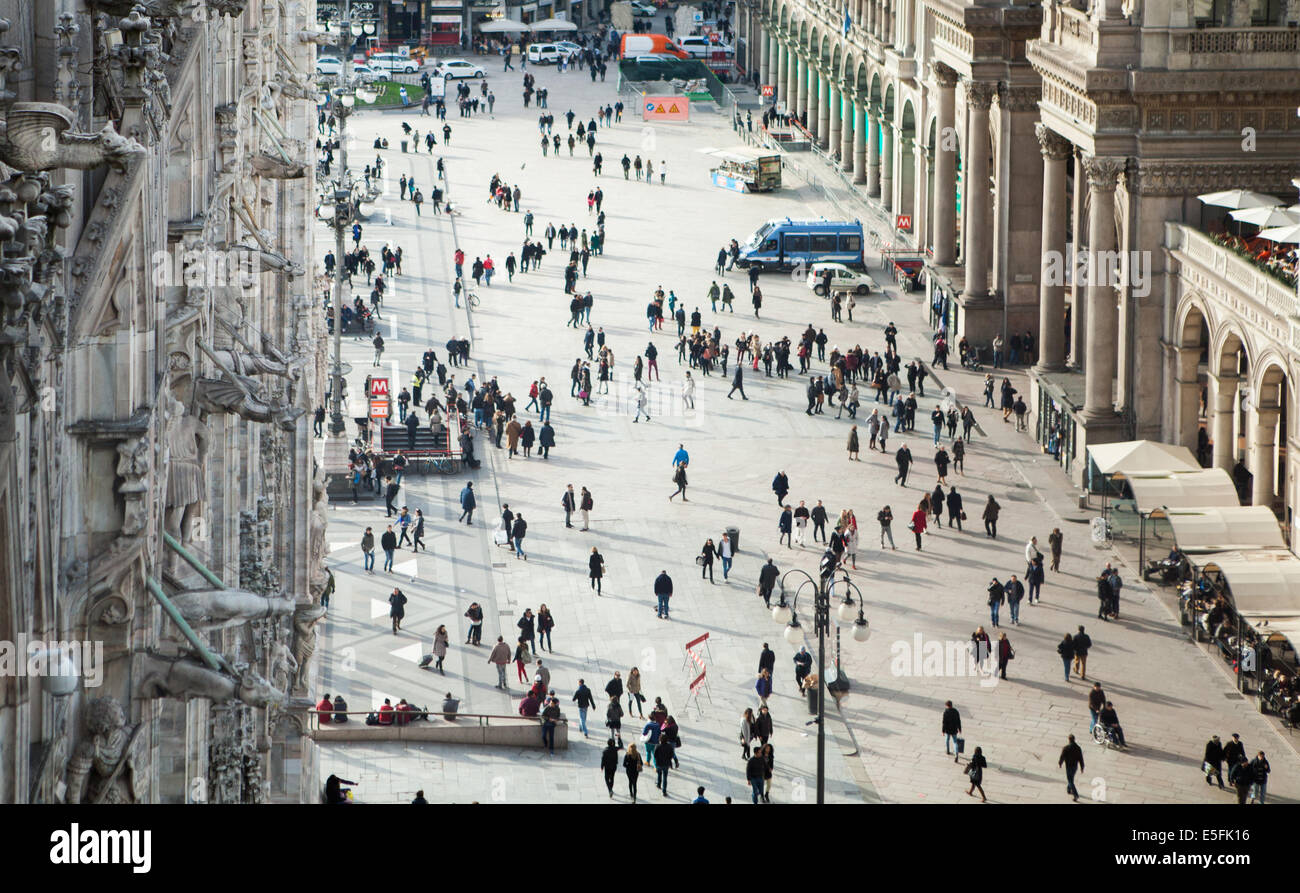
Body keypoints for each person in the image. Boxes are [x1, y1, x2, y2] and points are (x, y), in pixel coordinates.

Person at [1059, 735, 1085, 801]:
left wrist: (1060, 763)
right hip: (1075, 766)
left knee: (1070, 780)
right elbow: (1081, 759)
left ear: (1069, 739)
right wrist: (1082, 767)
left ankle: (1075, 795)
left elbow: (1062, 757)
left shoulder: (1066, 748)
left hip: (1069, 766)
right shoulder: (1078, 748)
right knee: (1071, 778)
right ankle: (1068, 789)